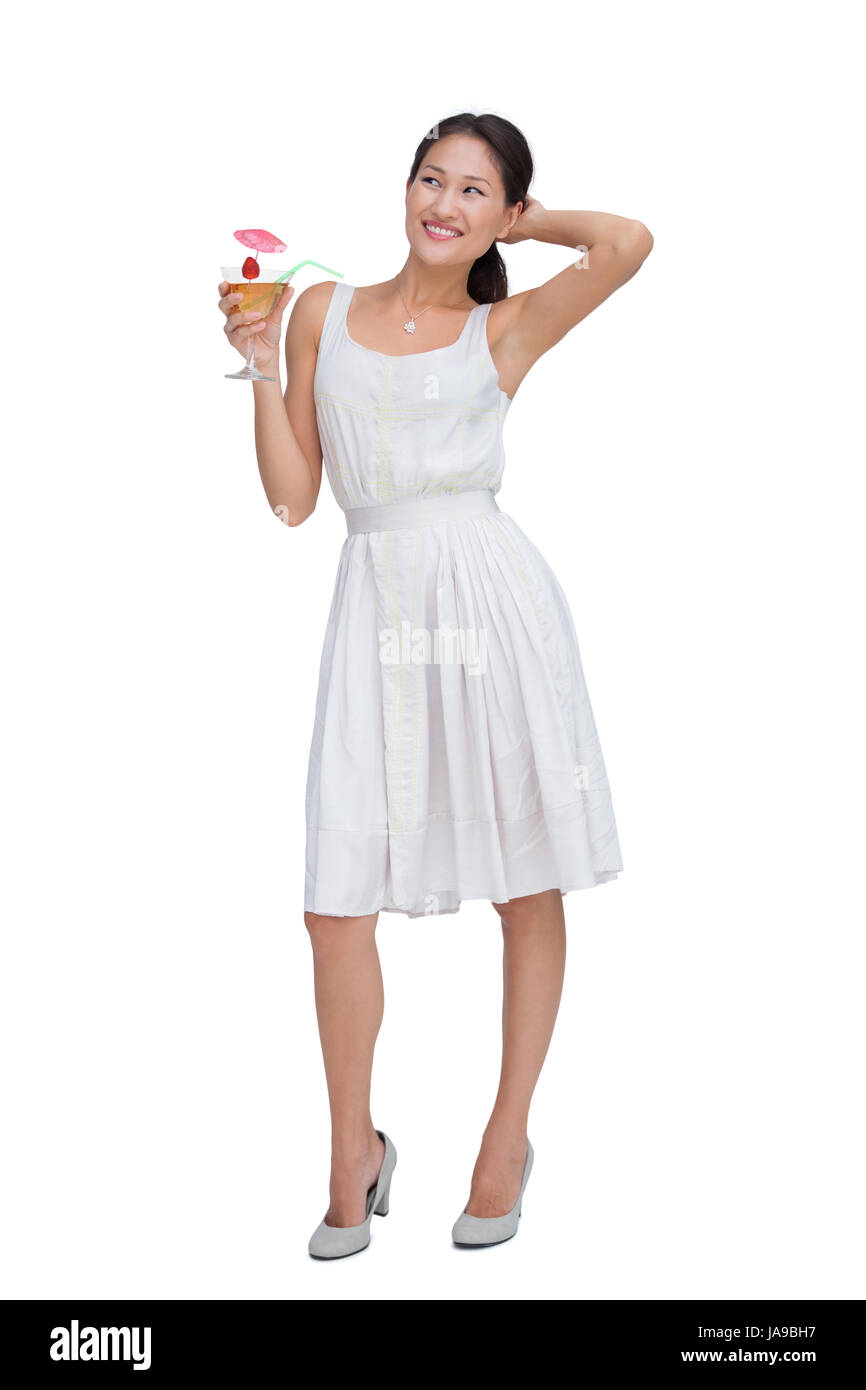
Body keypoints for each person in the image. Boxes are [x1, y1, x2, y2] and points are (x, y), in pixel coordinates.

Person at [217, 111, 653, 1259]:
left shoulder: (501, 327)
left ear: (499, 214)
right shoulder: (322, 313)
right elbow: (292, 501)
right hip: (376, 609)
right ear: (401, 186)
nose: (441, 204)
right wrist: (261, 368)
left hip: (492, 611)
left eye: (473, 192)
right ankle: (350, 1150)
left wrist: (529, 219)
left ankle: (505, 1138)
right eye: (428, 178)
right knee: (334, 900)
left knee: (524, 877)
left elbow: (625, 242)